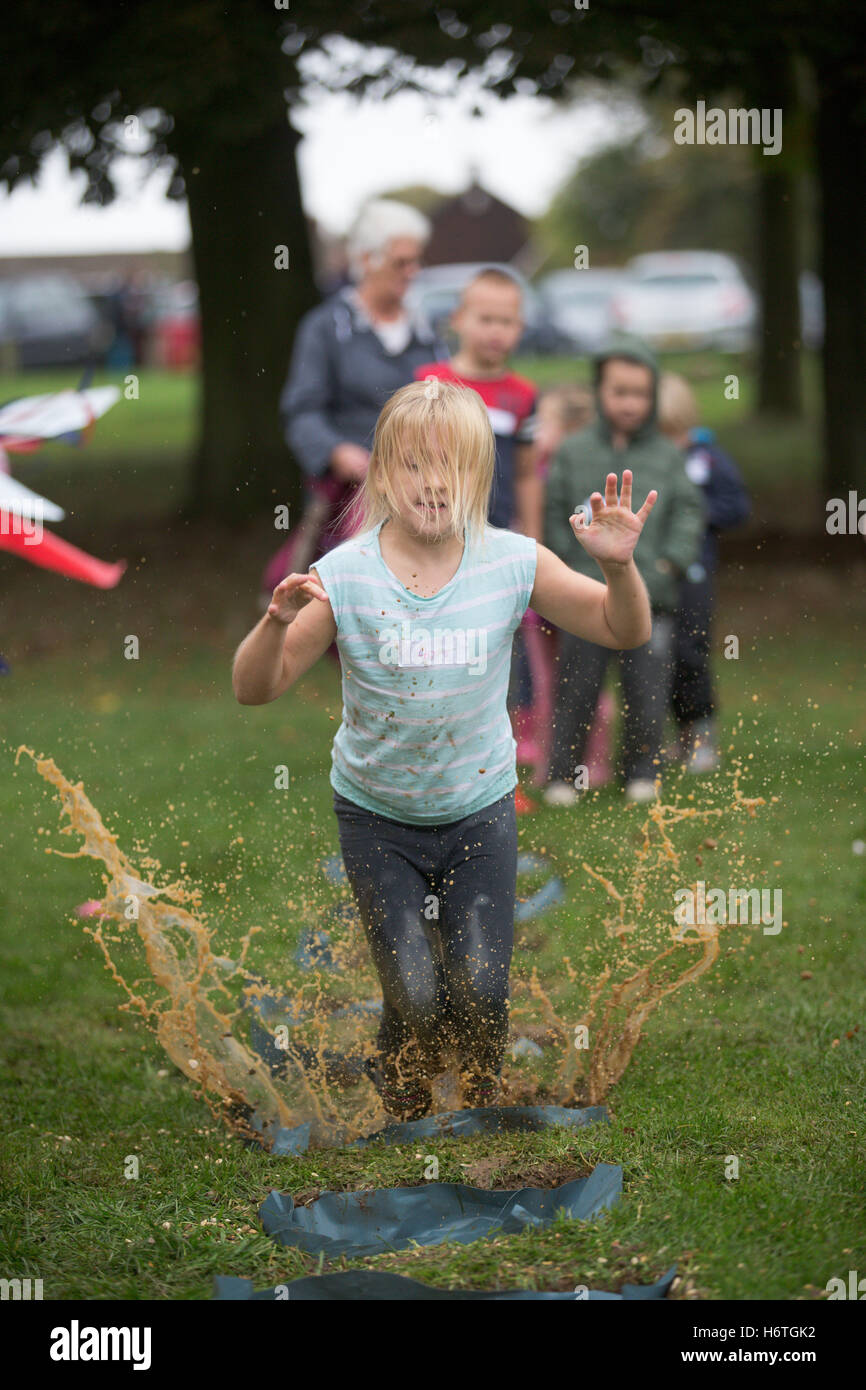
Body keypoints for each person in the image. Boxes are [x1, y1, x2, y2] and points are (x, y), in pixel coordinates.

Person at [233, 379, 657, 1121]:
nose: (432, 483)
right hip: (378, 818)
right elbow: (253, 689)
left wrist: (618, 568)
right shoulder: (345, 575)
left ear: (480, 474)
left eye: (451, 465)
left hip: (479, 810)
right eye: (411, 464)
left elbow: (625, 631)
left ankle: (481, 1088)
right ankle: (401, 1090)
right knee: (417, 990)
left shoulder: (511, 561)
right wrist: (272, 625)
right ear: (379, 472)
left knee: (482, 990)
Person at [542, 334, 705, 804]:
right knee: (576, 688)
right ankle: (562, 775)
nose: (630, 403)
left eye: (640, 393)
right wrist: (570, 569)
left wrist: (670, 563)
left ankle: (641, 771)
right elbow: (556, 514)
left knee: (647, 691)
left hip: (652, 598)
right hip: (584, 598)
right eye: (619, 392)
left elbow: (689, 512)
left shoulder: (668, 456)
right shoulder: (573, 452)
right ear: (600, 392)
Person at [263, 199, 446, 600]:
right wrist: (336, 451)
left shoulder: (427, 333)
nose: (411, 273)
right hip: (353, 501)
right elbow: (301, 410)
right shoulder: (325, 328)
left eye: (416, 262)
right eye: (400, 262)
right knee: (359, 607)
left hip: (427, 497)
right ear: (365, 259)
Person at [413, 267, 541, 811]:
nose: (496, 331)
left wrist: (532, 540)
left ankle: (498, 782)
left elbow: (531, 473)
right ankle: (429, 773)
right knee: (443, 657)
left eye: (508, 321)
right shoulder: (431, 383)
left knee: (500, 658)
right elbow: (411, 461)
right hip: (441, 542)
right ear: (459, 320)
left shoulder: (521, 396)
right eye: (486, 318)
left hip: (499, 543)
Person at [657, 373, 750, 771]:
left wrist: (693, 517)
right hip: (652, 572)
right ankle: (661, 737)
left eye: (673, 431)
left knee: (689, 653)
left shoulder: (708, 458)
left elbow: (737, 508)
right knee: (653, 655)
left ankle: (700, 734)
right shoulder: (642, 458)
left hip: (694, 573)